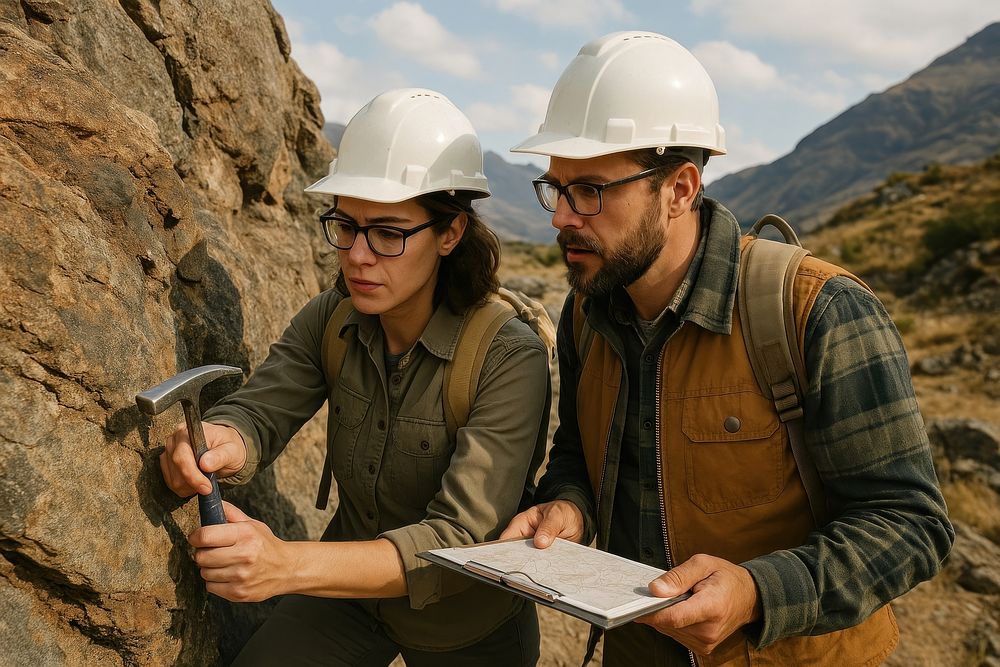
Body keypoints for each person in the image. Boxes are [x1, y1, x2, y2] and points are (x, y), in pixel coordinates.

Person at [501, 31, 954, 666]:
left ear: (680, 189)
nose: (561, 217)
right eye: (555, 188)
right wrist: (569, 505)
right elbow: (578, 450)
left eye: (591, 191)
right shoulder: (586, 311)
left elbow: (910, 526)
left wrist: (757, 592)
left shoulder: (814, 310)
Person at [159, 88, 550, 666]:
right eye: (346, 225)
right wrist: (221, 443)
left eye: (389, 233)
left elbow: (457, 543)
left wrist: (284, 565)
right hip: (346, 598)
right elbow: (261, 409)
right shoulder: (334, 318)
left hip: (469, 624)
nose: (359, 256)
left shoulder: (506, 357)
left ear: (451, 233)